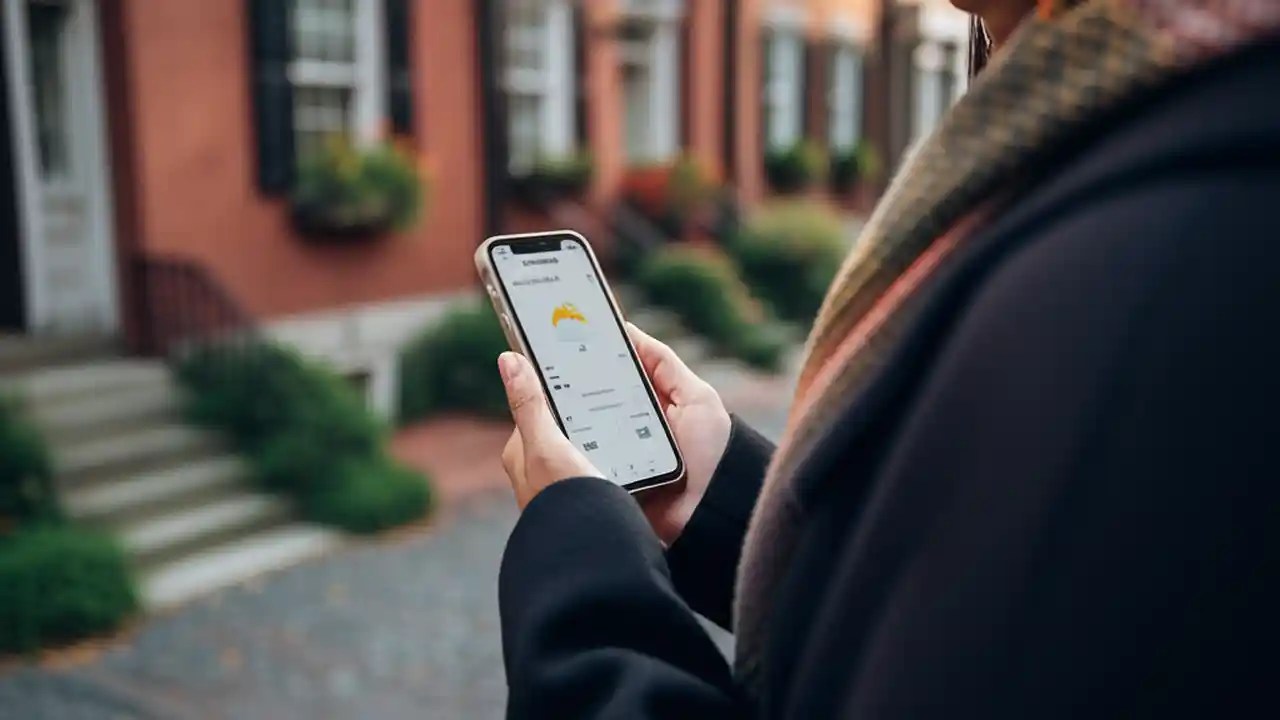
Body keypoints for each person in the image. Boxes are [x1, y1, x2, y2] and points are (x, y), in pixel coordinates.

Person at [495, 0, 1280, 716]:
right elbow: (963, 610)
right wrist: (724, 495)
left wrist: (579, 569)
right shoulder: (1134, 143)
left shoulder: (1185, 241)